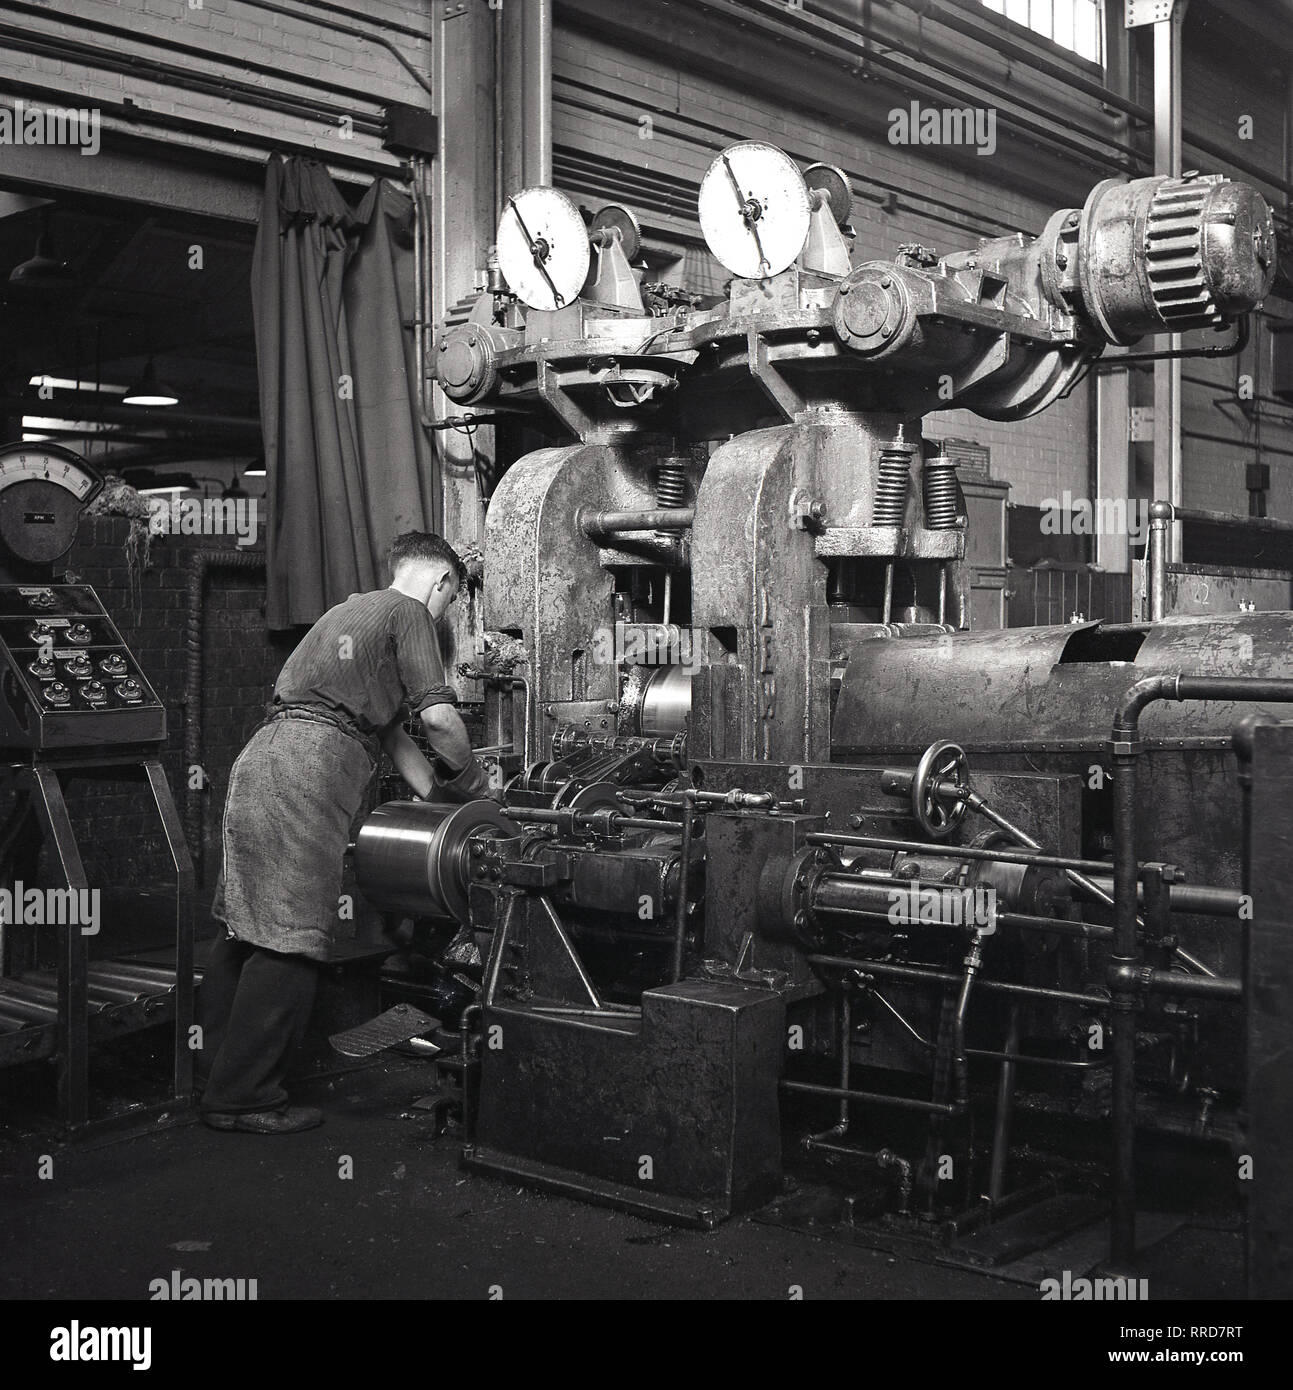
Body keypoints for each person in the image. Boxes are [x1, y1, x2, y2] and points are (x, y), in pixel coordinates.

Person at [197, 531, 492, 1134]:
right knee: (293, 935)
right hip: (308, 770)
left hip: (265, 758)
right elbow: (438, 719)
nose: (445, 612)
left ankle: (215, 1080)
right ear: (441, 583)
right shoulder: (408, 612)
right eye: (453, 598)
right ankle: (246, 1098)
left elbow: (392, 736)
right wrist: (479, 785)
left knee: (246, 928)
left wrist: (442, 802)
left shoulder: (346, 613)